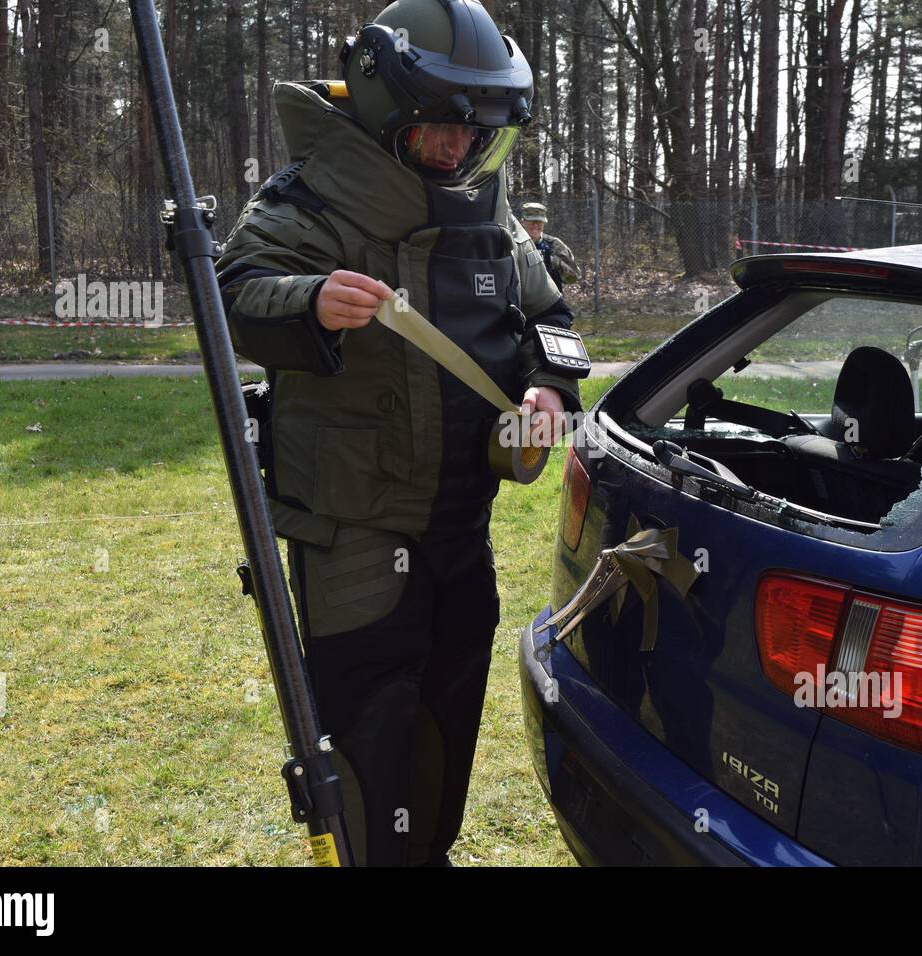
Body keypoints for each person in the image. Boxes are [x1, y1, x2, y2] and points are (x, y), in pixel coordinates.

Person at [213, 0, 583, 866]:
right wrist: (304, 302)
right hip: (355, 531)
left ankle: (427, 853)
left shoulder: (485, 211)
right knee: (370, 731)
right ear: (386, 112)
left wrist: (551, 392)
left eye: (473, 132)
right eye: (439, 130)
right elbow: (232, 291)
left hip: (464, 527)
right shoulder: (308, 198)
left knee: (448, 715)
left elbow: (550, 318)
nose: (458, 150)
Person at [520, 201, 581, 291]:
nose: (535, 225)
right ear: (523, 222)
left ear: (544, 223)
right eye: (531, 221)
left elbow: (573, 278)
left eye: (539, 221)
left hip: (550, 301)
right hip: (521, 302)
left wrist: (554, 262)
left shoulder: (554, 245)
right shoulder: (514, 244)